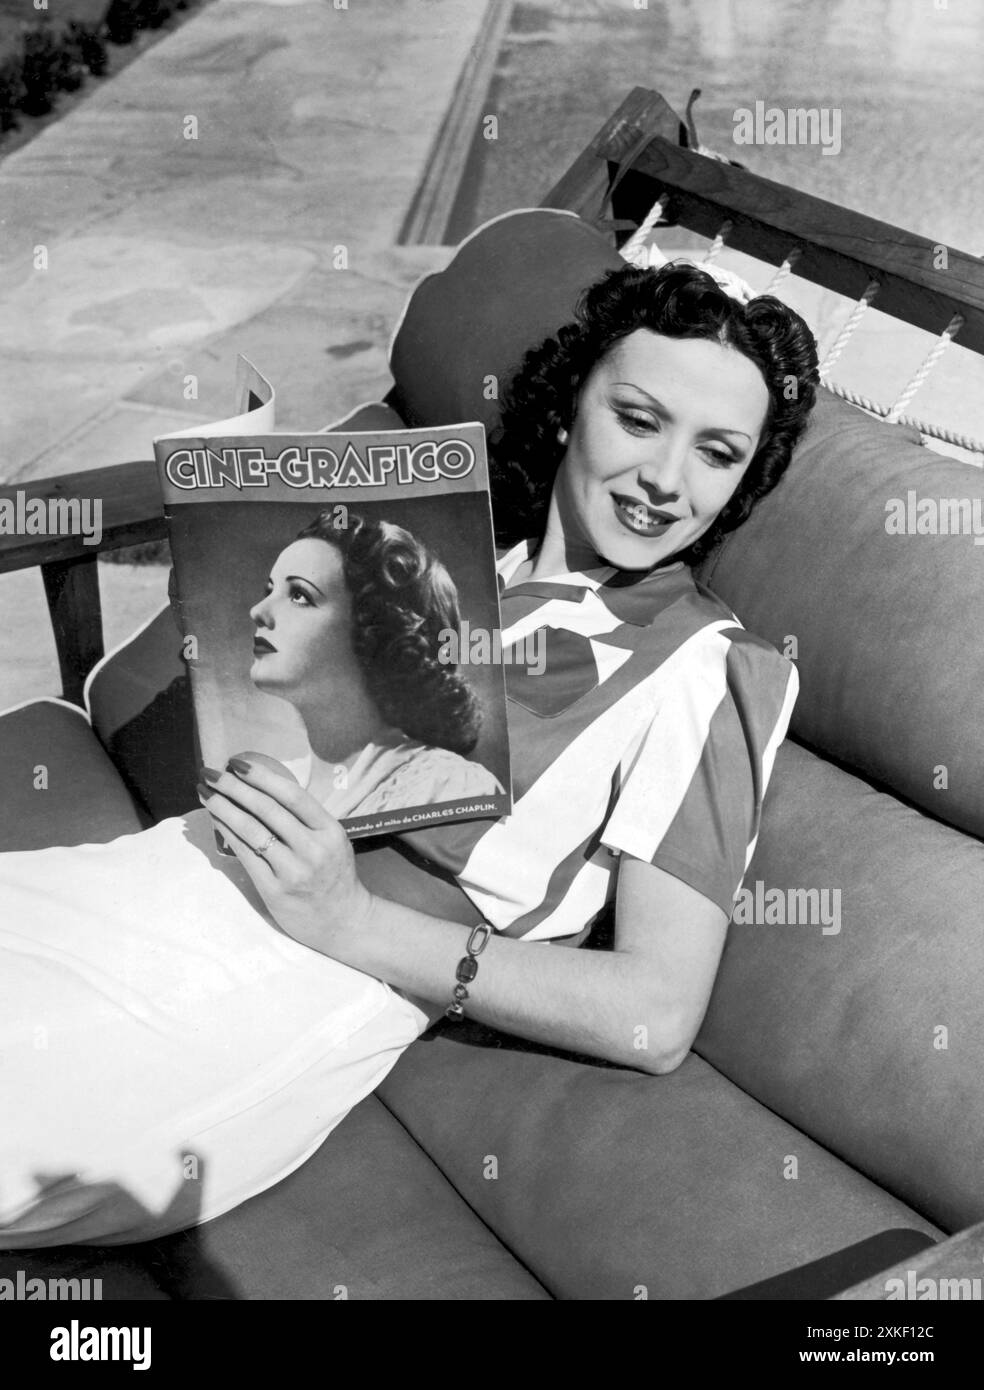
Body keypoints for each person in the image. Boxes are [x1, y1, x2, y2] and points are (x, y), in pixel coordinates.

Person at [0, 262, 818, 1248]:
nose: (667, 480)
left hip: (274, 985)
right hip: (161, 871)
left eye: (717, 453)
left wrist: (348, 919)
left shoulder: (706, 668)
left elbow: (653, 1012)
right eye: (639, 419)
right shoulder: (453, 548)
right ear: (569, 410)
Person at [241, 510, 503, 818]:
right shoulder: (276, 780)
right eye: (269, 590)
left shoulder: (448, 786)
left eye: (299, 595)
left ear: (374, 628)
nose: (258, 611)